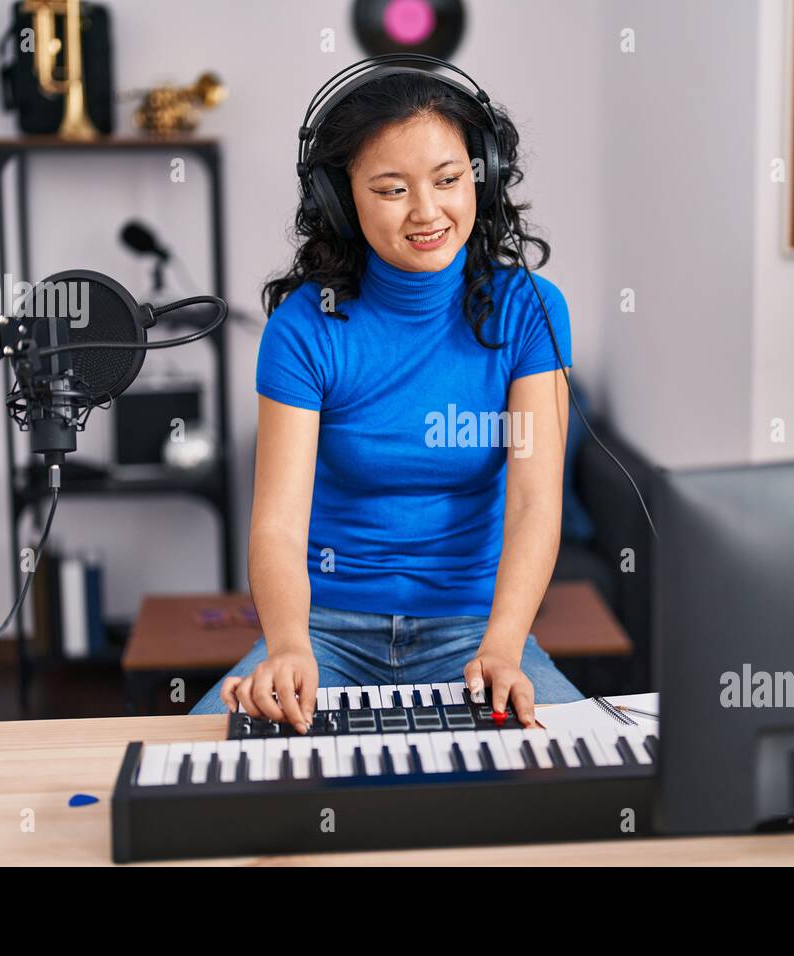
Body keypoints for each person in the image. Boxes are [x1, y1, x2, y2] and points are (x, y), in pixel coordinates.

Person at [189, 67, 582, 730]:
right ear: (341, 201)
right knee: (201, 772)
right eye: (392, 190)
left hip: (474, 631)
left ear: (480, 177)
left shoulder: (530, 313)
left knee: (584, 785)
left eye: (449, 180)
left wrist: (504, 647)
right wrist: (288, 646)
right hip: (326, 632)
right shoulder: (304, 328)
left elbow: (534, 502)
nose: (427, 212)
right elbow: (278, 526)